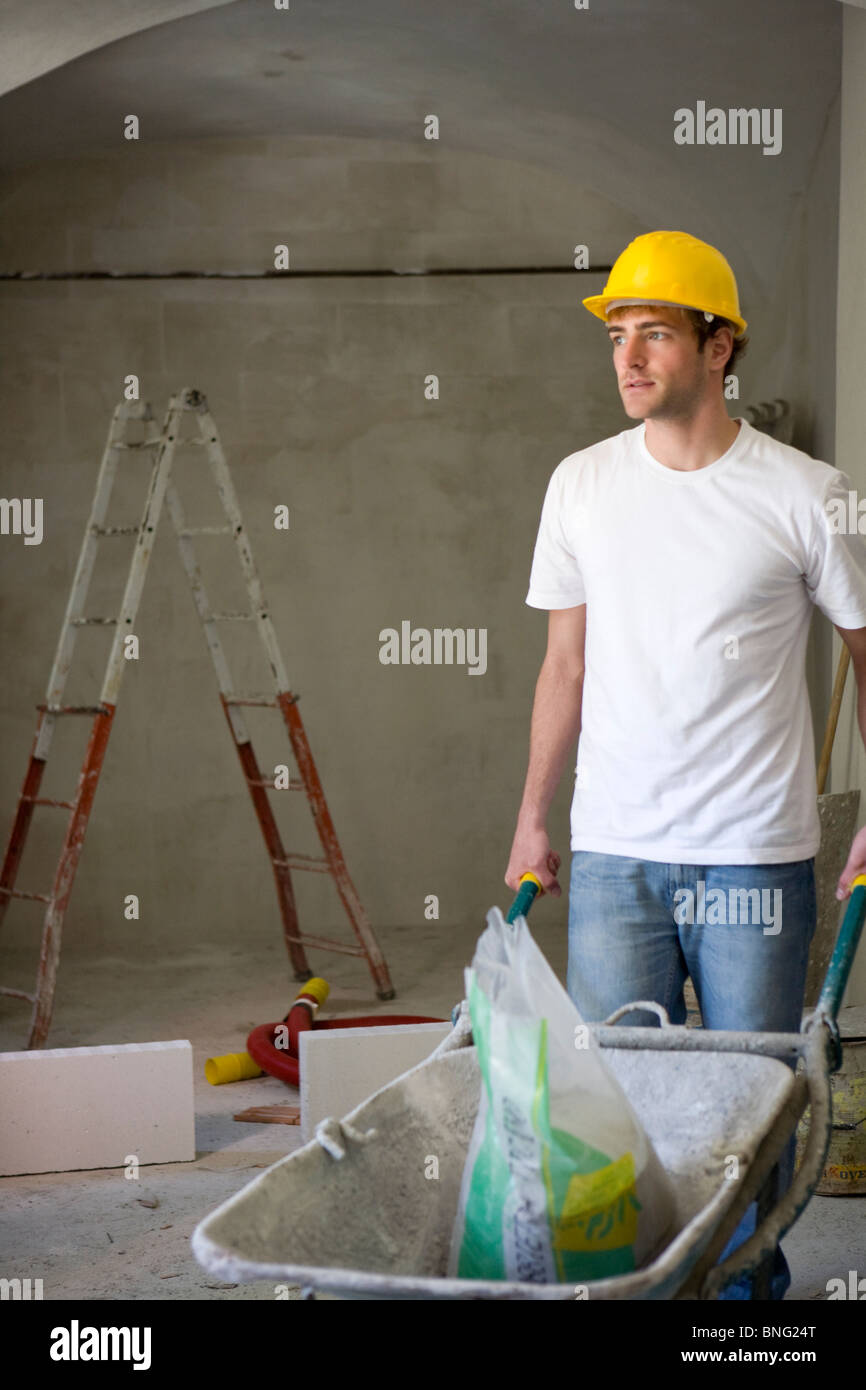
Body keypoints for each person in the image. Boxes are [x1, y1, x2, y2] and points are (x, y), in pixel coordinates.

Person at [505, 229, 866, 1299]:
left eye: (652, 333)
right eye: (617, 335)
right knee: (617, 1117)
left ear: (718, 348)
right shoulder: (578, 487)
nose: (626, 356)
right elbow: (561, 667)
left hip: (753, 856)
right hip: (614, 852)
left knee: (750, 1114)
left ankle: (747, 1312)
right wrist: (533, 817)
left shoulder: (805, 493)